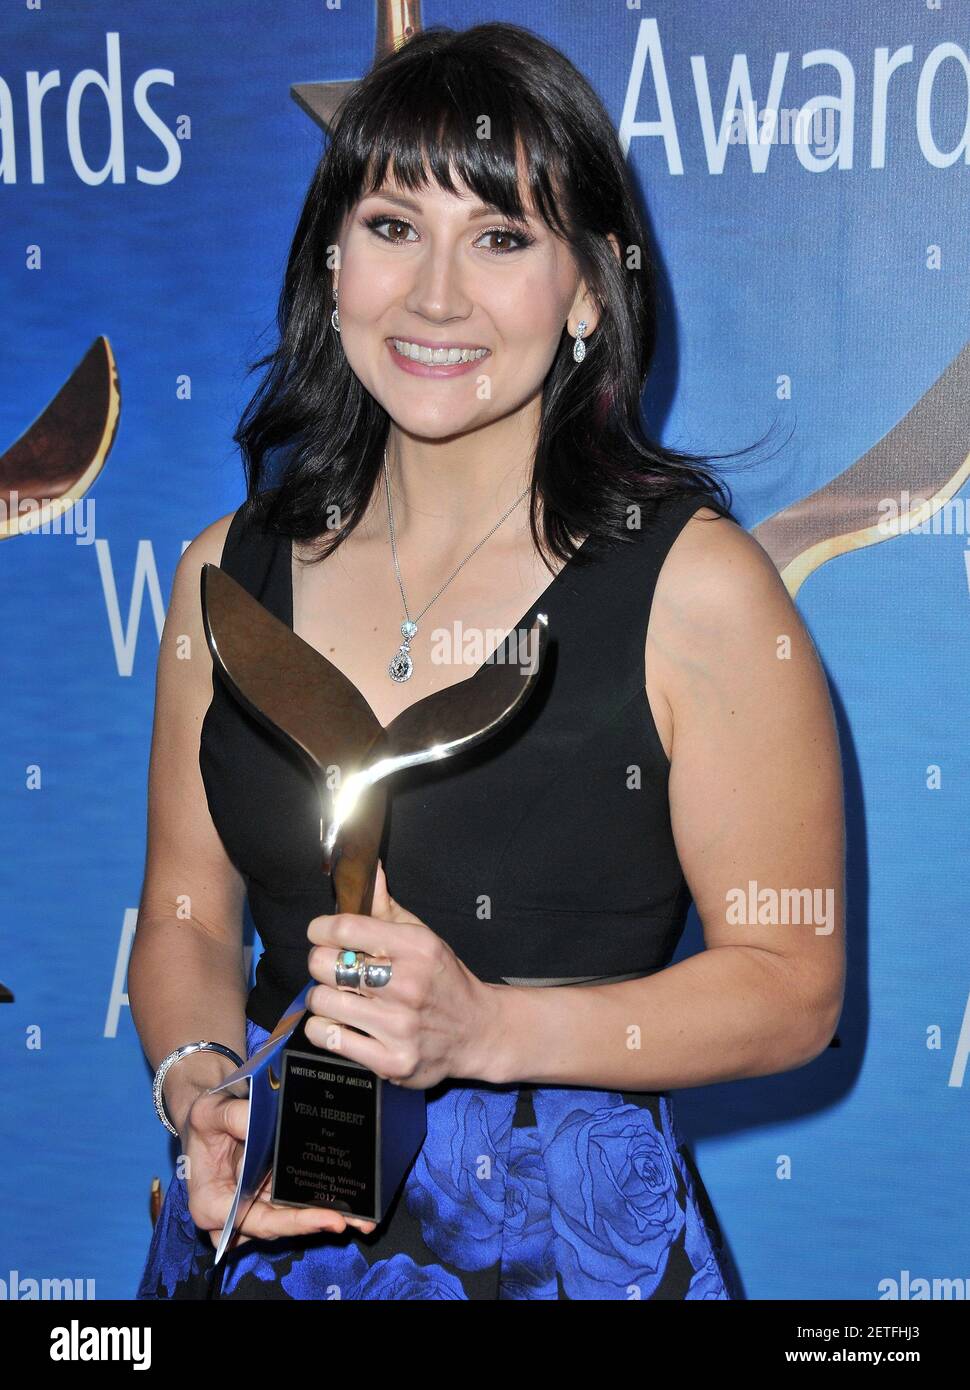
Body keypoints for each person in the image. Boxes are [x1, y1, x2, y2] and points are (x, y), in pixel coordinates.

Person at [130, 22, 845, 1301]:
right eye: (395, 226)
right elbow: (186, 912)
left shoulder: (697, 590)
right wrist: (200, 1089)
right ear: (332, 261)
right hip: (269, 1218)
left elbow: (793, 986)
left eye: (502, 238)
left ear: (585, 289)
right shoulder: (220, 573)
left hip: (562, 1243)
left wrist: (491, 1030)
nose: (437, 296)